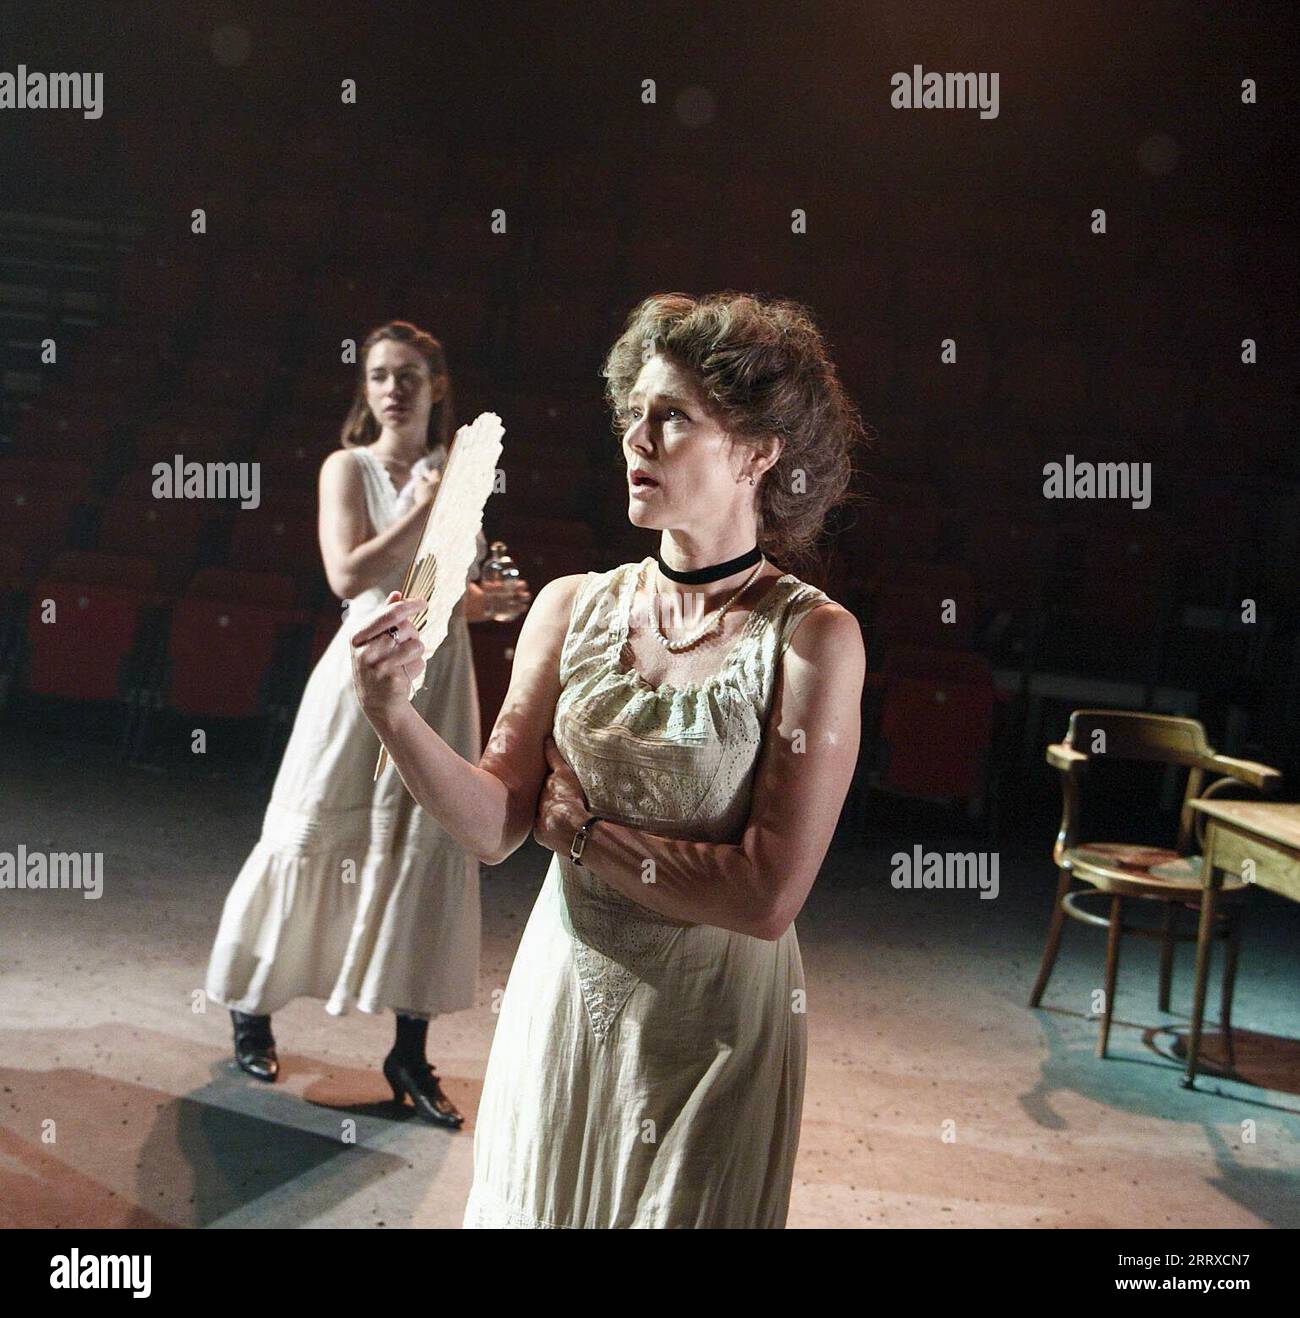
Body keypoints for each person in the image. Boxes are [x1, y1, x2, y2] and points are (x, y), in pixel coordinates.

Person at [351, 293, 866, 1224]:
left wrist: (583, 835)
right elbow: (494, 827)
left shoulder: (813, 638)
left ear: (758, 453)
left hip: (714, 1025)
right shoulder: (568, 606)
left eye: (672, 418)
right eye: (633, 413)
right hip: (564, 998)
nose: (636, 438)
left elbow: (765, 896)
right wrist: (392, 713)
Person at [206, 320, 530, 1130]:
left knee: (429, 845)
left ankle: (409, 1053)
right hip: (361, 667)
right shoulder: (347, 467)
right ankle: (252, 1008)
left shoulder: (461, 476)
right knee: (311, 833)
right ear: (367, 388)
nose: (393, 388)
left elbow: (444, 588)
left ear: (435, 387)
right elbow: (348, 572)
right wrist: (421, 508)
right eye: (381, 375)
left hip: (442, 672)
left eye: (409, 377)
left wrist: (488, 605)